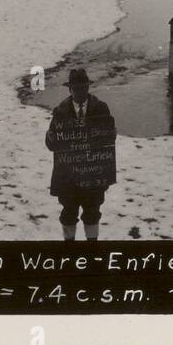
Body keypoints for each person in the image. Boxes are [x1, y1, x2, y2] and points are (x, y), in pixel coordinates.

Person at [44, 69, 116, 241]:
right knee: (69, 212)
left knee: (92, 212)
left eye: (83, 87)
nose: (80, 92)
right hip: (68, 177)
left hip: (94, 174)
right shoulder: (60, 112)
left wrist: (111, 134)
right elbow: (52, 145)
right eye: (76, 88)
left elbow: (107, 142)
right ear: (70, 90)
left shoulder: (101, 108)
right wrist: (50, 137)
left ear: (88, 88)